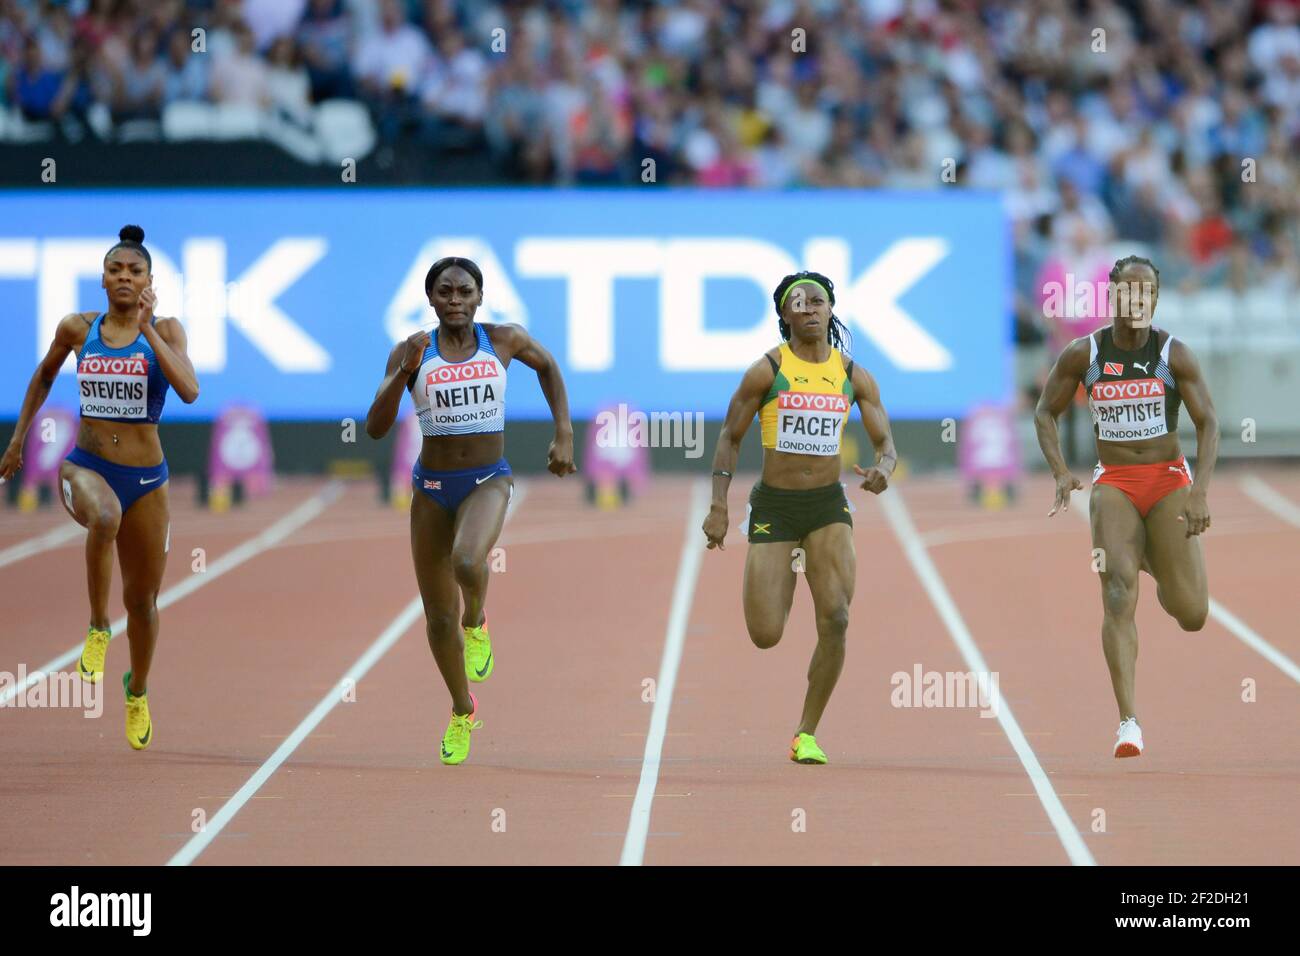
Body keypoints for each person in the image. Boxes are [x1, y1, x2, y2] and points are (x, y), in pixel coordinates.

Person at [365, 257, 575, 765]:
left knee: (466, 561)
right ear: (431, 299)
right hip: (431, 488)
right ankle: (463, 710)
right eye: (445, 292)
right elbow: (374, 426)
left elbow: (548, 367)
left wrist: (563, 432)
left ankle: (477, 621)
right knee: (437, 620)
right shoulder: (412, 350)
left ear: (479, 298)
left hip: (487, 479)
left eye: (464, 291)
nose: (454, 300)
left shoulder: (502, 340)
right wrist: (403, 373)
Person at [0, 225, 200, 750]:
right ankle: (95, 628)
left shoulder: (169, 330)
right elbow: (43, 376)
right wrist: (18, 440)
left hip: (148, 480)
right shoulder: (77, 329)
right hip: (85, 467)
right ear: (103, 278)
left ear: (150, 280)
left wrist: (150, 328)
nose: (125, 277)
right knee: (104, 518)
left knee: (144, 602)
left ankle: (137, 692)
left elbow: (190, 391)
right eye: (116, 270)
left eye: (135, 271)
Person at [702, 271, 897, 764]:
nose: (810, 308)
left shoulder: (853, 375)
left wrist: (883, 471)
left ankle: (806, 732)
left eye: (819, 301)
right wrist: (719, 506)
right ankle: (788, 569)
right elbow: (729, 435)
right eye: (799, 302)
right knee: (765, 634)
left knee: (837, 616)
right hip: (775, 507)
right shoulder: (766, 371)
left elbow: (885, 445)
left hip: (828, 506)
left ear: (831, 310)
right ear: (784, 315)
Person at [1035, 255, 1218, 757]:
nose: (1136, 301)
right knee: (1117, 591)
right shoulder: (1085, 353)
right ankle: (1128, 721)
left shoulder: (1173, 355)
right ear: (1112, 296)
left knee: (1193, 613)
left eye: (1146, 293)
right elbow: (1044, 412)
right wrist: (1058, 471)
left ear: (1155, 299)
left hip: (1167, 482)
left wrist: (1199, 490)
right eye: (1127, 292)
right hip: (1114, 482)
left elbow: (1208, 424)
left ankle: (1155, 559)